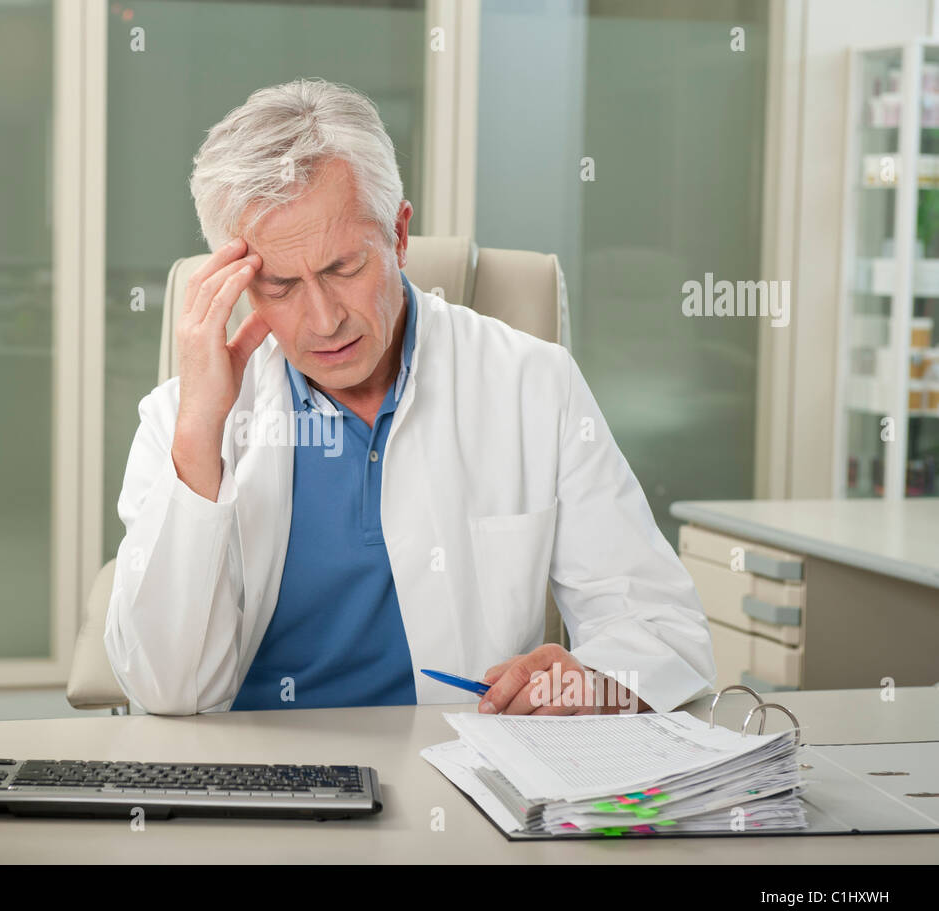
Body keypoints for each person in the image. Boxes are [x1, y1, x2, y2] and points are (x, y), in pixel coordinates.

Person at [105, 78, 714, 716]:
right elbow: (163, 691)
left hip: (465, 775)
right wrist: (201, 436)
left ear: (398, 236)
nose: (322, 320)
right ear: (237, 286)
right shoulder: (182, 422)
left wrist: (591, 680)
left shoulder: (532, 383)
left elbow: (663, 631)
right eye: (280, 285)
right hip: (255, 786)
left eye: (343, 269)